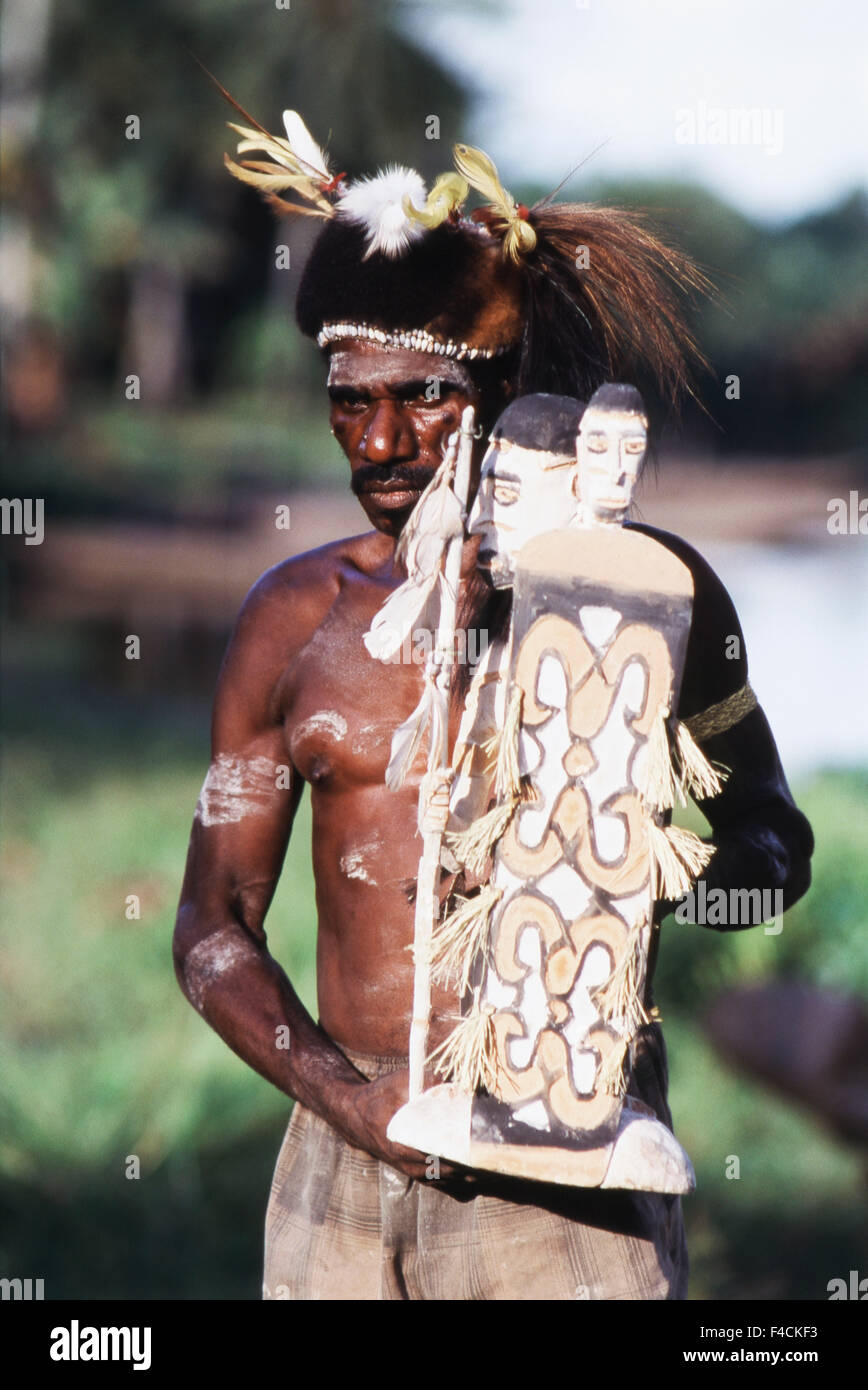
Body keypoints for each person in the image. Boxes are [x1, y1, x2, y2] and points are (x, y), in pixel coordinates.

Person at [172, 112, 814, 1299]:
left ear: (505, 387)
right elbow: (210, 930)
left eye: (422, 396)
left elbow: (774, 848)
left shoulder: (645, 595)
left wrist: (642, 867)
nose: (378, 441)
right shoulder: (292, 616)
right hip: (337, 1175)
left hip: (562, 1174)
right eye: (347, 399)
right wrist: (351, 1102)